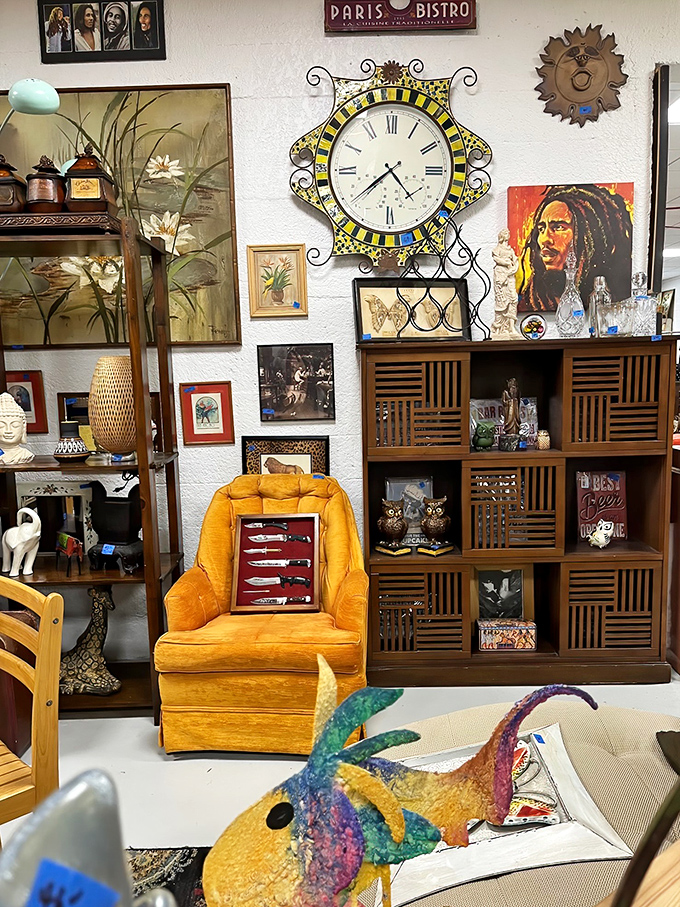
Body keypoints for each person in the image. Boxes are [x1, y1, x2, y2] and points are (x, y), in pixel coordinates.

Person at [517, 184, 633, 312]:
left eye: (558, 227)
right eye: (541, 229)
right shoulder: (530, 302)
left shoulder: (617, 304)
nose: (544, 239)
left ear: (590, 236)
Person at [490, 228, 522, 339]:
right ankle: (499, 327)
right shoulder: (497, 249)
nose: (508, 235)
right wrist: (506, 263)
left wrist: (513, 268)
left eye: (508, 233)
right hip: (500, 275)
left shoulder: (510, 250)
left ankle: (511, 327)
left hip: (510, 276)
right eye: (505, 234)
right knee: (501, 301)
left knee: (513, 299)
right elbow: (496, 259)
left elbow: (516, 261)